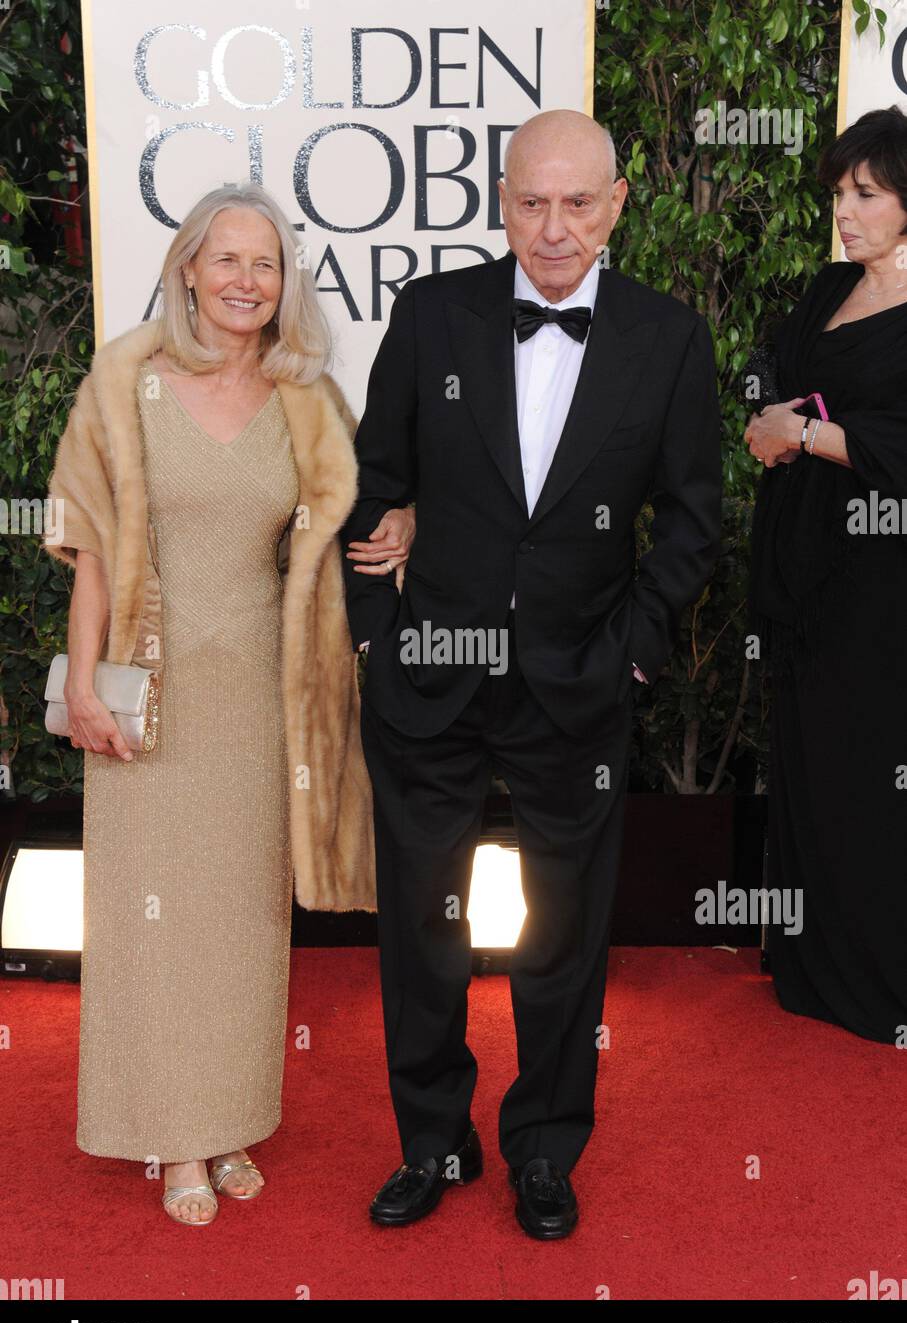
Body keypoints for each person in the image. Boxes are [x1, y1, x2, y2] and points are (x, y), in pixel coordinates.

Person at [340, 109, 722, 1238]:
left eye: (576, 203)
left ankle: (545, 1147)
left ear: (613, 204)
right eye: (529, 202)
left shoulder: (668, 338)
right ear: (500, 202)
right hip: (430, 681)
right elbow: (372, 485)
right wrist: (377, 638)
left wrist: (632, 659)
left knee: (563, 931)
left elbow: (693, 524)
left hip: (577, 684)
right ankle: (431, 1141)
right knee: (422, 929)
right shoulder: (434, 314)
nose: (551, 228)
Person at [42, 183, 411, 1225]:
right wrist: (82, 685)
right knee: (152, 919)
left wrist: (406, 528)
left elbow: (359, 516)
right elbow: (93, 556)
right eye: (228, 260)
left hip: (262, 697)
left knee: (243, 922)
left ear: (283, 283)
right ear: (188, 270)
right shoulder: (123, 384)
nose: (247, 281)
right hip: (148, 688)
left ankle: (231, 1115)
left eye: (267, 264)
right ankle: (173, 1137)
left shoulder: (306, 397)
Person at [746, 106, 907, 1045]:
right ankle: (813, 964)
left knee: (869, 769)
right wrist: (771, 420)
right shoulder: (824, 288)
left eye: (866, 194)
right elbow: (778, 370)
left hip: (883, 578)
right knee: (806, 753)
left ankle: (883, 982)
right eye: (840, 193)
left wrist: (807, 433)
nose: (844, 211)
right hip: (804, 558)